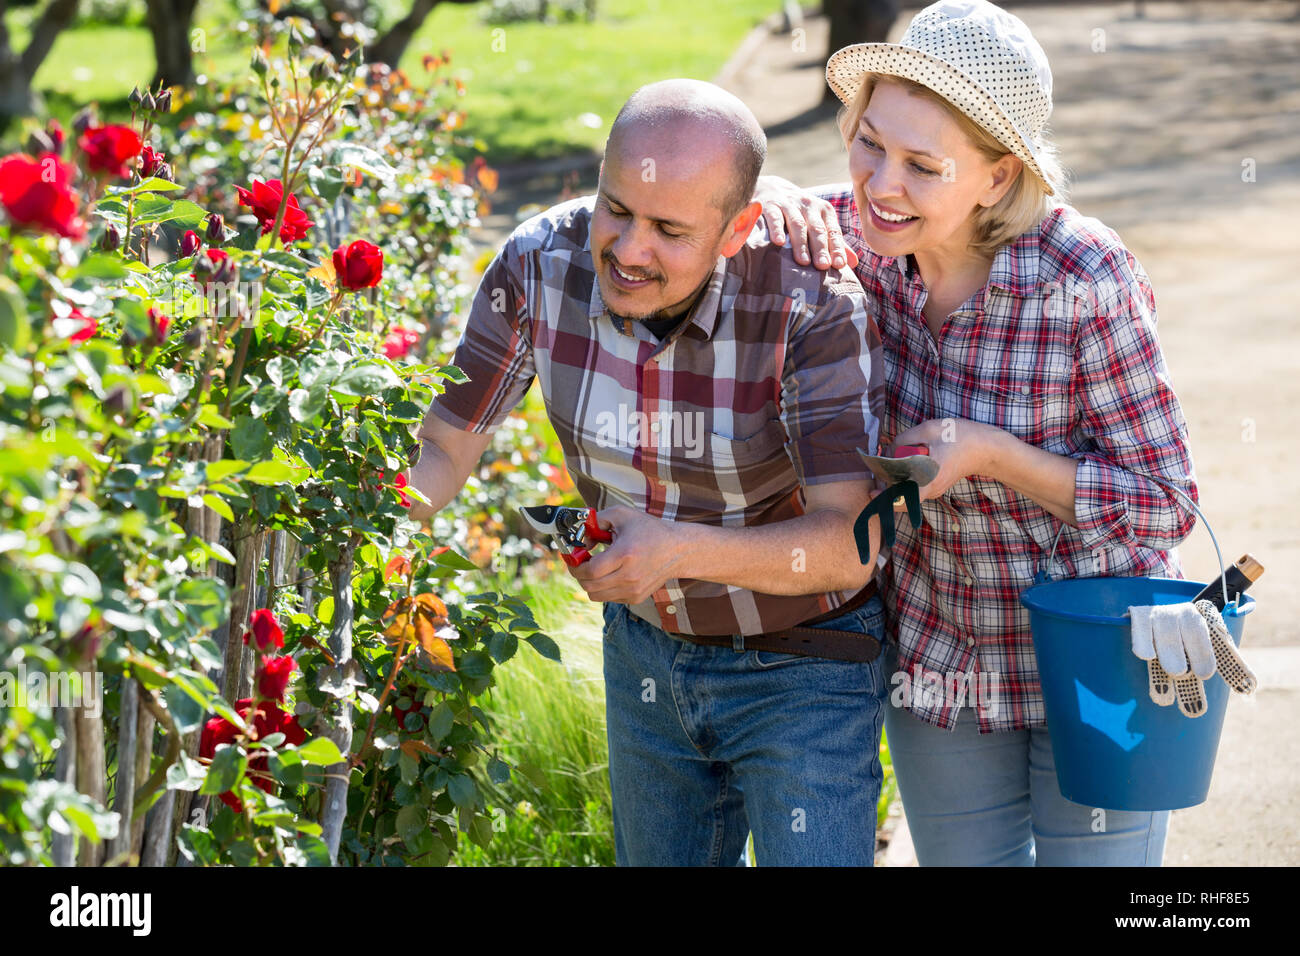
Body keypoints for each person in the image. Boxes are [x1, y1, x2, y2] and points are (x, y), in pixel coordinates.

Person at [757, 0, 1199, 865]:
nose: (882, 184)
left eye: (924, 165)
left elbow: (1165, 504)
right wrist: (768, 190)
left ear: (997, 177)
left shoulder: (1083, 276)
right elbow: (717, 203)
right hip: (943, 661)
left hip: (1097, 657)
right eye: (869, 142)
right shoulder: (855, 240)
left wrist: (993, 455)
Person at [408, 79, 892, 866]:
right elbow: (446, 448)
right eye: (617, 209)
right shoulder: (536, 266)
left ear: (737, 230)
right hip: (647, 654)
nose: (630, 250)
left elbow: (850, 543)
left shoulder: (809, 302)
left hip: (807, 663)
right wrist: (364, 517)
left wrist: (676, 549)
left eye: (669, 230)